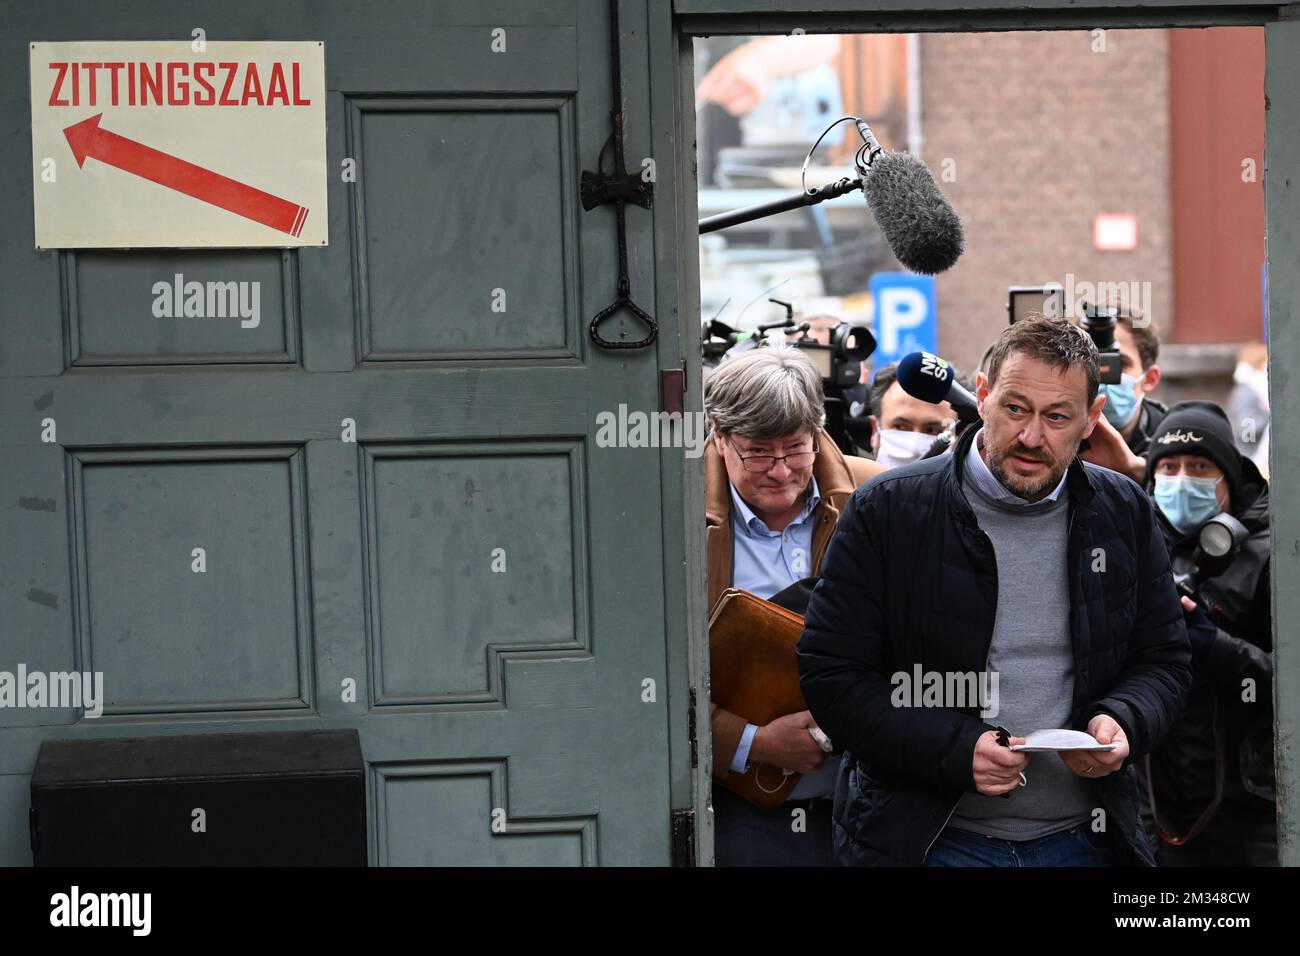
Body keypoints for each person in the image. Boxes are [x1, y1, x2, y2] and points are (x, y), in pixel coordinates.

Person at [797, 316, 1191, 866]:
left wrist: (1124, 720)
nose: (1032, 436)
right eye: (1015, 409)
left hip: (1089, 838)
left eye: (1057, 417)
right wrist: (955, 751)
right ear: (981, 396)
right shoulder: (888, 509)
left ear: (1092, 420)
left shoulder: (1123, 510)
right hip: (931, 842)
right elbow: (832, 675)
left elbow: (1164, 660)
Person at [704, 347, 884, 865]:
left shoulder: (876, 492)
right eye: (759, 453)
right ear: (719, 437)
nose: (781, 472)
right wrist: (751, 743)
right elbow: (646, 674)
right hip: (744, 811)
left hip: (872, 801)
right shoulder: (672, 511)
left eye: (796, 449)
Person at [1142, 401, 1275, 866]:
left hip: (1252, 812)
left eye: (1200, 466)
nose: (1182, 479)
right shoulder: (1135, 545)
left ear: (1229, 480)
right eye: (1169, 466)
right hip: (1154, 808)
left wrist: (1215, 647)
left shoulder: (1270, 554)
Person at [1080, 312, 1167, 482]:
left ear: (1150, 378)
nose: (1101, 374)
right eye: (1090, 362)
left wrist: (1140, 471)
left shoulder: (1174, 441)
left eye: (1117, 363)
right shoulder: (1053, 435)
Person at [867, 361, 956, 469]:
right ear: (874, 431)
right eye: (900, 427)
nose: (914, 447)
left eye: (931, 430)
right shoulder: (848, 484)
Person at [1226, 341, 1270, 475]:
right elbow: (1247, 432)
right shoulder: (1246, 393)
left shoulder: (1257, 392)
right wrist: (1269, 416)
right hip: (1251, 459)